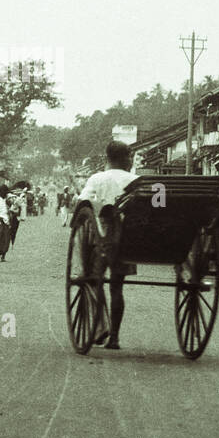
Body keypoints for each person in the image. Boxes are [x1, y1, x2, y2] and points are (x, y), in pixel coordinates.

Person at [77, 141, 139, 350]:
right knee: (117, 288)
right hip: (129, 239)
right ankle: (114, 338)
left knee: (94, 281)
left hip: (102, 237)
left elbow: (83, 204)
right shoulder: (138, 180)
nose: (131, 160)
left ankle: (100, 325)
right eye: (130, 156)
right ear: (125, 158)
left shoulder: (98, 178)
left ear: (107, 158)